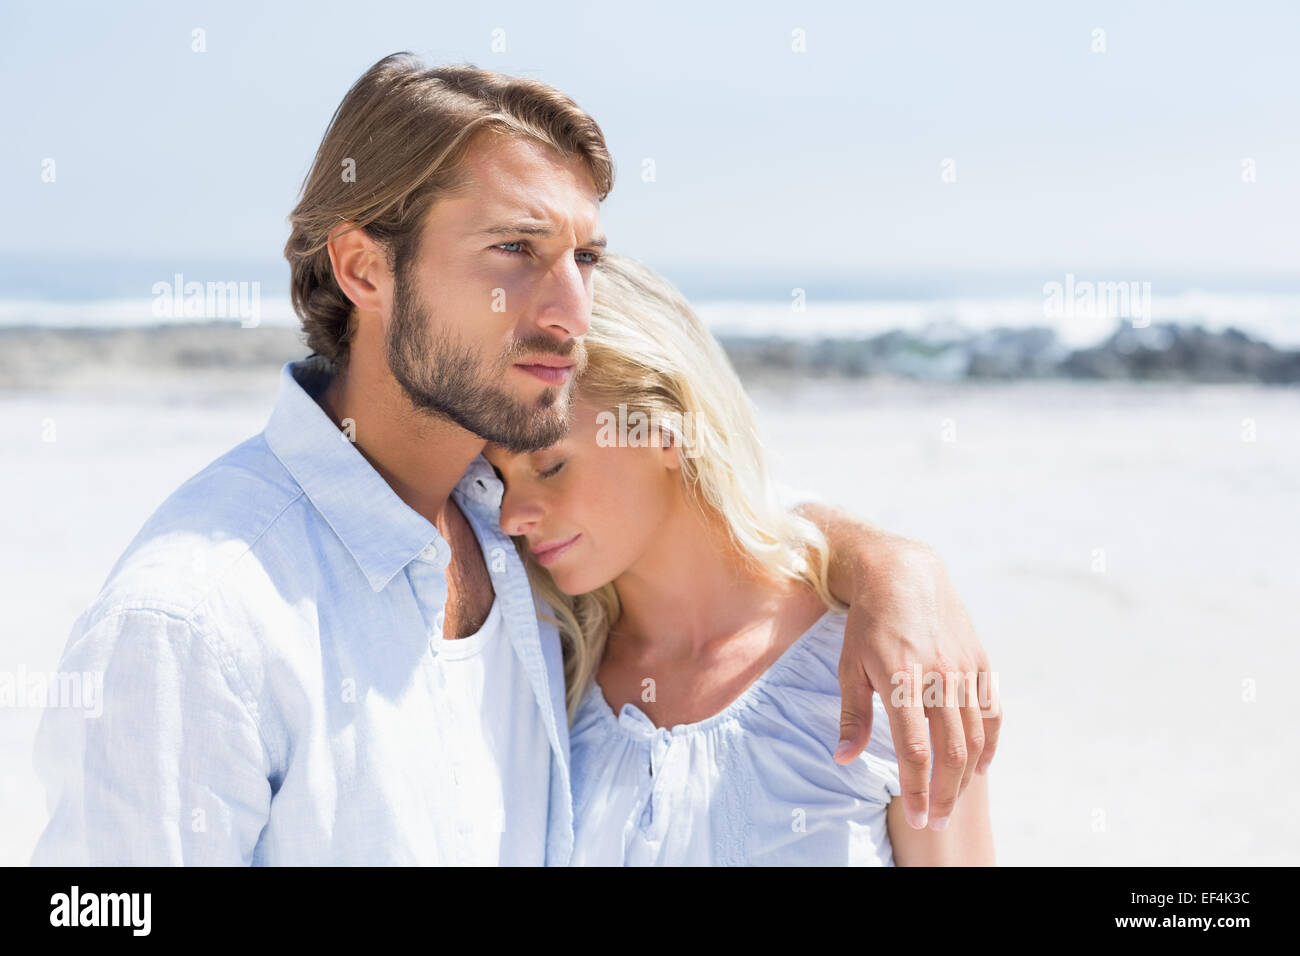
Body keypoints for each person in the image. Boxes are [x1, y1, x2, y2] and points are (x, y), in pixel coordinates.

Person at [30, 53, 998, 866]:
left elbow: (693, 496)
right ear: (365, 267)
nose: (572, 313)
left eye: (583, 257)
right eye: (513, 249)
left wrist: (894, 569)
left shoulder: (502, 521)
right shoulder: (195, 620)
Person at [485, 254, 996, 865]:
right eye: (497, 478)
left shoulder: (884, 667)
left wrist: (898, 565)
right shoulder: (545, 669)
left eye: (550, 465)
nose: (513, 516)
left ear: (663, 430)